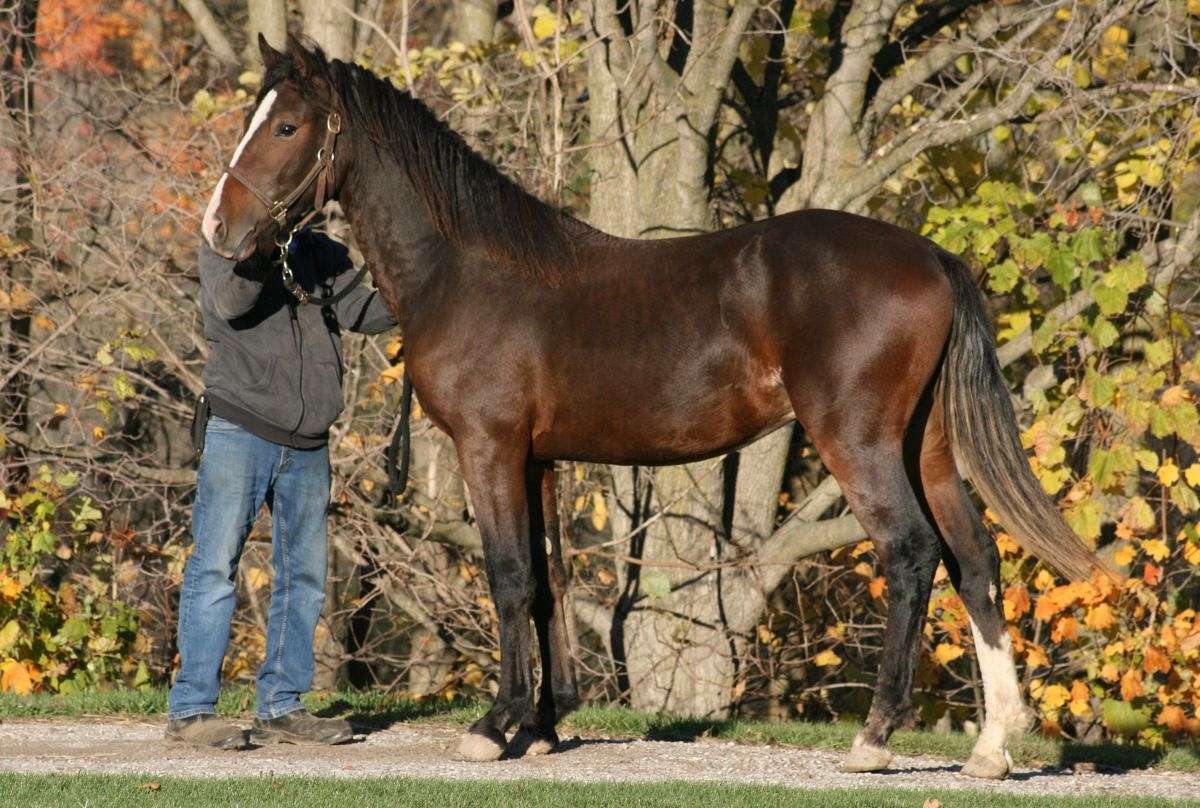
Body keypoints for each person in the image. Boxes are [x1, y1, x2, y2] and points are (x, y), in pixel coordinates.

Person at [166, 228, 394, 749]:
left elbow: (364, 312)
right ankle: (192, 710)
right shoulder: (225, 241)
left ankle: (282, 707)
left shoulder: (324, 252)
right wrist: (263, 251)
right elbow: (230, 302)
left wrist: (411, 268)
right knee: (216, 566)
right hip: (239, 428)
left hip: (309, 441)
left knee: (305, 578)